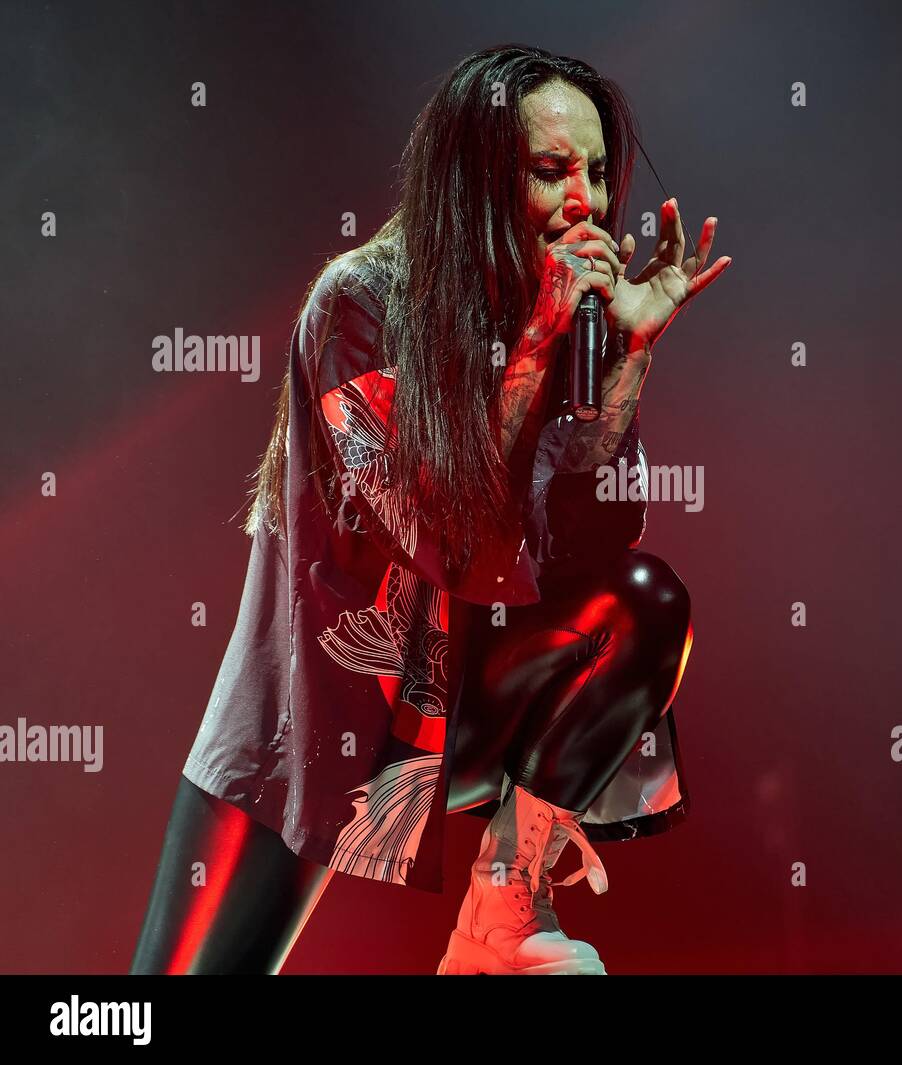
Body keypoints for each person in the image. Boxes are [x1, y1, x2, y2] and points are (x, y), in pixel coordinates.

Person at [130, 43, 731, 976]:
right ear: (478, 177)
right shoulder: (362, 303)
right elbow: (440, 536)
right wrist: (535, 347)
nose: (586, 200)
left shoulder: (568, 315)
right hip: (314, 731)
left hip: (451, 718)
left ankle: (501, 908)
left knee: (646, 600)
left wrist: (629, 356)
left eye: (599, 172)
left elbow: (594, 539)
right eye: (550, 171)